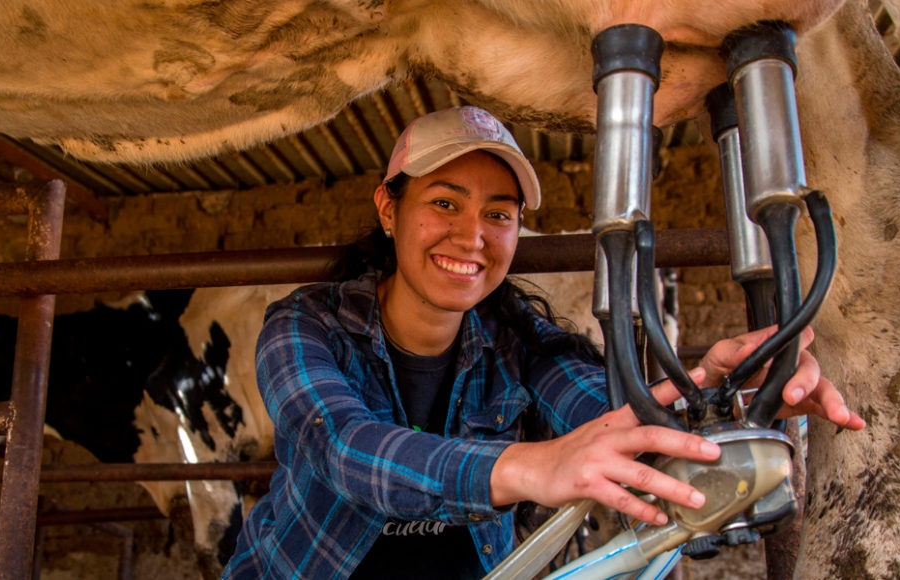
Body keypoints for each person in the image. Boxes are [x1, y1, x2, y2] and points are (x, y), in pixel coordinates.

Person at [222, 106, 864, 579]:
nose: (472, 236)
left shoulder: (521, 341)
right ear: (389, 210)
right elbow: (339, 444)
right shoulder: (304, 325)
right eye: (445, 203)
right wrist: (531, 466)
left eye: (498, 214)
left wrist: (716, 404)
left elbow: (605, 414)